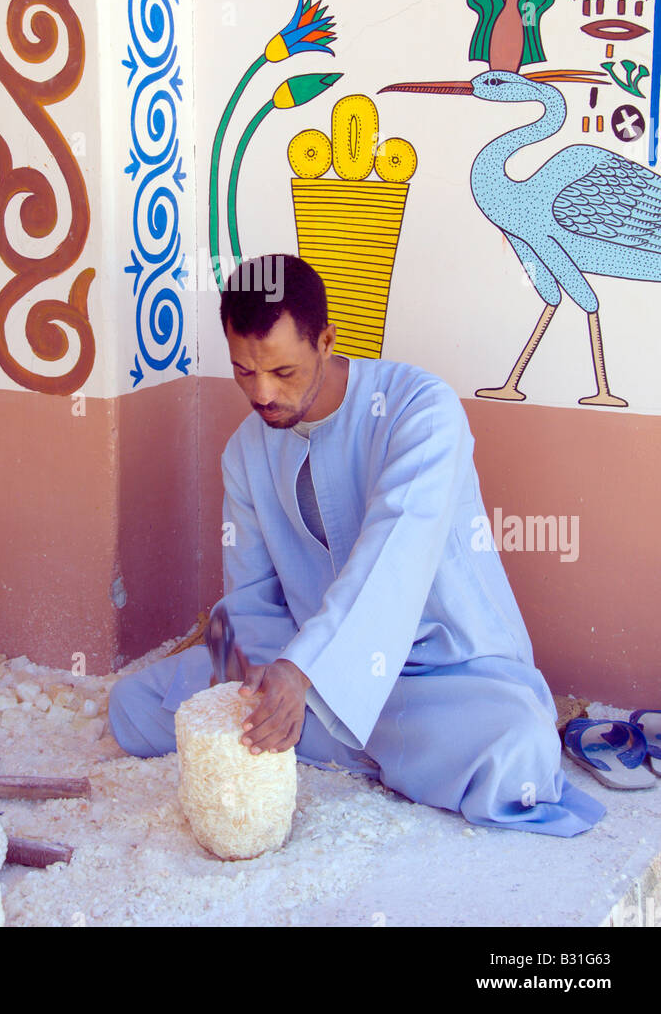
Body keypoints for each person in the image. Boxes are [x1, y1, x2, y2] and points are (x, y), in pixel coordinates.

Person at [108, 255, 604, 836]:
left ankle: (347, 737)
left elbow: (395, 552)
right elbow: (251, 600)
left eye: (284, 372)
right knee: (136, 704)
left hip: (439, 671)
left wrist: (302, 673)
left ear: (326, 341)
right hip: (307, 671)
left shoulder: (420, 408)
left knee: (516, 738)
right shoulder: (246, 451)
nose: (262, 394)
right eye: (244, 372)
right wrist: (265, 684)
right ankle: (375, 747)